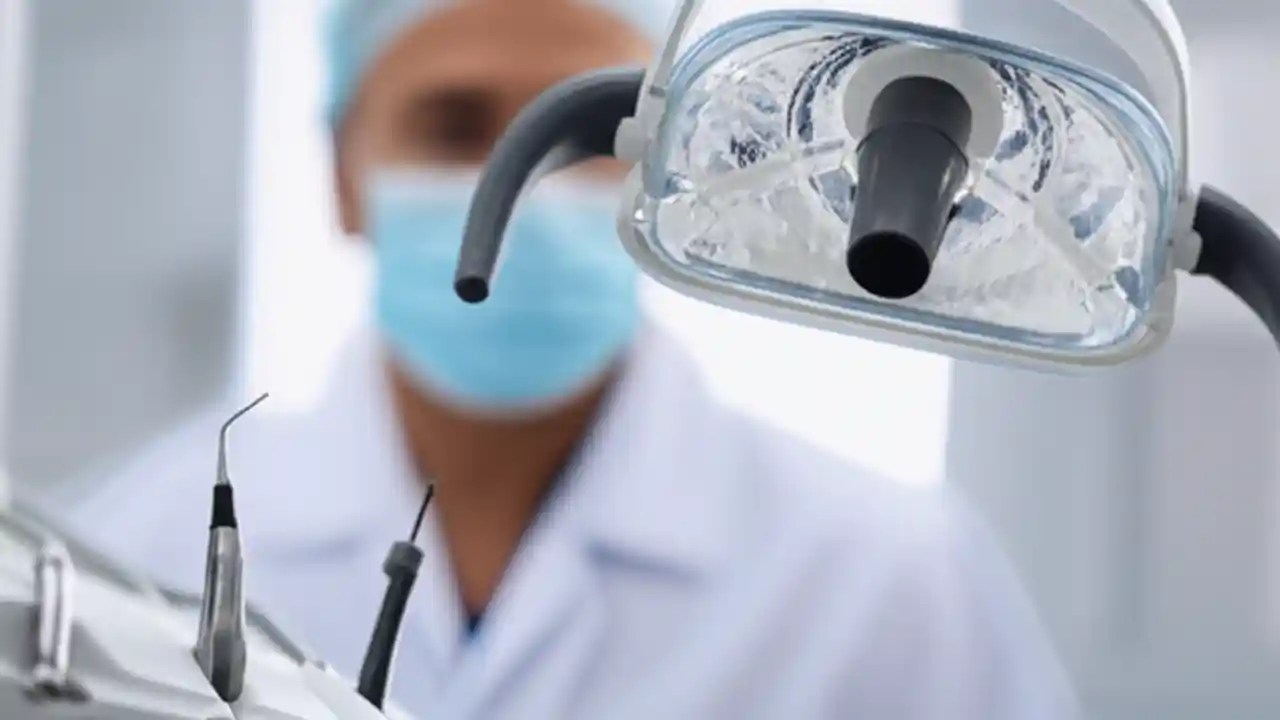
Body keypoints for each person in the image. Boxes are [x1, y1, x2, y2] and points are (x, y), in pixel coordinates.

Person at [63, 0, 1077, 717]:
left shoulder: (890, 590)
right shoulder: (130, 556)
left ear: (671, 167)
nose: (519, 187)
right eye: (455, 126)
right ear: (340, 173)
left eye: (582, 129)